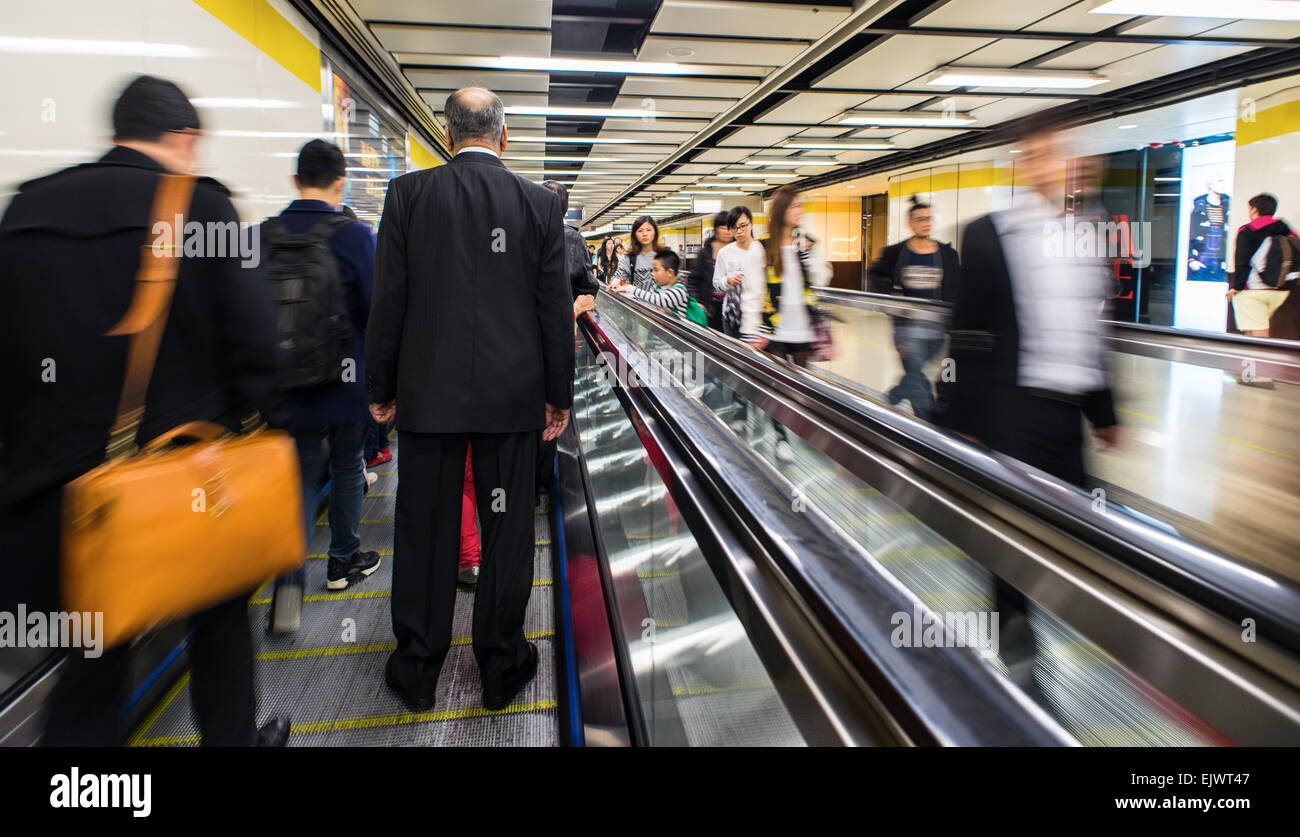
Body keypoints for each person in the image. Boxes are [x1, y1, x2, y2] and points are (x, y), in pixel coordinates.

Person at [0, 75, 289, 746]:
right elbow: (257, 348)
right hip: (186, 491)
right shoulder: (204, 210)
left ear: (116, 133)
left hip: (60, 503)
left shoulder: (27, 212)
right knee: (219, 633)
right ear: (184, 138)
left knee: (92, 663)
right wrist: (270, 428)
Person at [366, 87, 574, 713]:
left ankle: (417, 669)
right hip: (512, 401)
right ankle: (500, 667)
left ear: (447, 136)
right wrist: (557, 396)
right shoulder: (540, 205)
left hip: (428, 400)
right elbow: (552, 309)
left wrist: (380, 388)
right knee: (506, 533)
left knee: (424, 528)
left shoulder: (408, 196)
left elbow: (389, 301)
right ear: (503, 135)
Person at [935, 122, 1121, 696]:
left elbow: (1090, 328)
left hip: (1067, 416)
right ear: (1026, 164)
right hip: (1011, 411)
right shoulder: (992, 233)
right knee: (1013, 533)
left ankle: (1069, 625)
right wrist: (956, 415)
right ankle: (1017, 646)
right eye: (1043, 155)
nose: (1057, 165)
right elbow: (964, 331)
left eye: (1065, 155)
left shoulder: (1089, 234)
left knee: (1078, 531)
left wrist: (1104, 410)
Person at [262, 140, 382, 632]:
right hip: (343, 380)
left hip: (286, 386)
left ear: (295, 180)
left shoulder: (264, 234)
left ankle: (288, 586)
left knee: (298, 479)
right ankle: (341, 562)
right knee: (349, 467)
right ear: (340, 182)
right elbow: (376, 309)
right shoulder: (353, 236)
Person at [867, 197, 960, 420]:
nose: (926, 223)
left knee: (916, 373)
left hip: (937, 329)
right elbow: (874, 274)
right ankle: (929, 423)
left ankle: (896, 394)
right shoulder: (895, 253)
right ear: (911, 224)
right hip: (906, 329)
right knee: (917, 372)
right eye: (920, 219)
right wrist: (891, 293)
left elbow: (957, 286)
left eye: (929, 219)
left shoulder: (947, 255)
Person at [757, 186, 832, 464]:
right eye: (795, 206)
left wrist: (814, 256)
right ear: (782, 211)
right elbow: (754, 289)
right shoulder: (763, 246)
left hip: (802, 328)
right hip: (774, 329)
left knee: (801, 387)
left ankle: (800, 429)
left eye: (801, 206)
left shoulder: (804, 244)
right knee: (778, 386)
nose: (800, 211)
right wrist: (753, 328)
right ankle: (780, 437)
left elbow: (820, 279)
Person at [1228, 193, 1294, 348]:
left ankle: (1262, 371)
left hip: (1254, 291)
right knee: (1254, 330)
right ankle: (1251, 368)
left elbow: (1242, 261)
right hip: (1281, 290)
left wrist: (1236, 287)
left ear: (1254, 210)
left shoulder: (1247, 231)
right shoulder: (1287, 230)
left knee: (1260, 335)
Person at [610, 249, 691, 316]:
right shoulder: (657, 286)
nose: (652, 273)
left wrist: (628, 288)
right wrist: (626, 292)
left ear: (670, 272)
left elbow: (657, 299)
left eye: (656, 270)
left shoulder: (679, 291)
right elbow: (645, 298)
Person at [689, 211, 733, 331]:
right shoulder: (705, 253)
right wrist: (698, 302)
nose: (727, 232)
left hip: (732, 308)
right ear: (716, 230)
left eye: (730, 228)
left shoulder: (738, 250)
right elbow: (693, 280)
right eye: (723, 228)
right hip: (710, 308)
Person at [615, 220, 660, 290]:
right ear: (635, 235)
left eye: (648, 230)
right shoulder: (628, 258)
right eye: (640, 231)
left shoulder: (665, 256)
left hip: (662, 299)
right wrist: (616, 283)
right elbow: (617, 277)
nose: (645, 234)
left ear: (655, 232)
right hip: (637, 300)